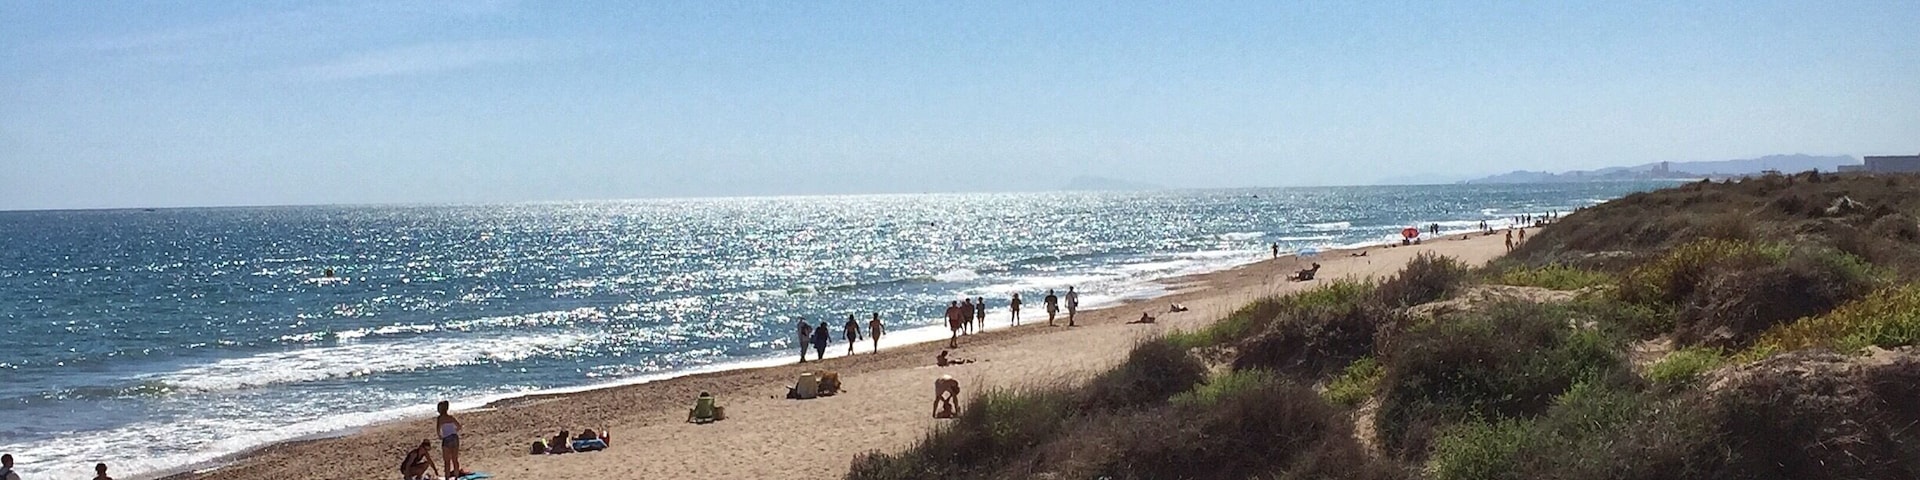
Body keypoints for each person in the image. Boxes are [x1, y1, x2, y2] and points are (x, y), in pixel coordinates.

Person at [436, 400, 466, 477]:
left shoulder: (440, 418)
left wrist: (440, 436)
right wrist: (454, 431)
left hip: (446, 439)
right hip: (454, 437)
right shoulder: (451, 418)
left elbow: (438, 430)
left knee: (447, 461)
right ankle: (456, 477)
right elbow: (459, 426)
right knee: (455, 460)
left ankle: (447, 478)